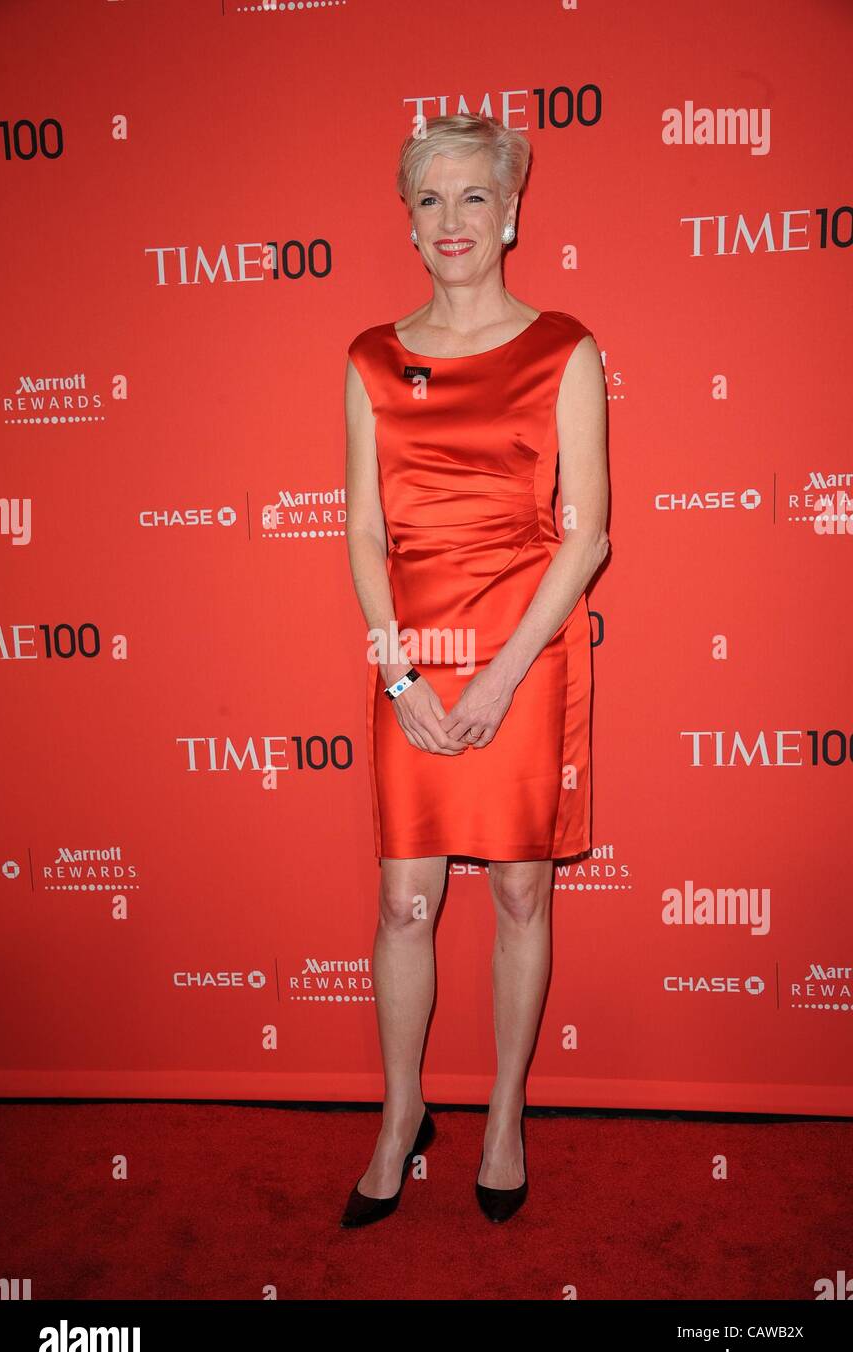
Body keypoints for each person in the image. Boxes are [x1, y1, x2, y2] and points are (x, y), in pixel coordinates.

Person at [340, 113, 609, 1227]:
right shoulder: (368, 354)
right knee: (406, 904)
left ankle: (504, 1113)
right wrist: (405, 679)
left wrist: (500, 677)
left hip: (526, 649)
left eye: (473, 197)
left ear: (512, 215)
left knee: (515, 887)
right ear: (410, 221)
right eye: (431, 199)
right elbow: (363, 532)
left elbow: (584, 532)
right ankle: (403, 1114)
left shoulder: (564, 348)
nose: (452, 219)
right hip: (414, 656)